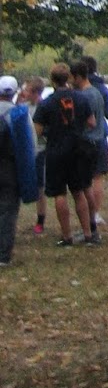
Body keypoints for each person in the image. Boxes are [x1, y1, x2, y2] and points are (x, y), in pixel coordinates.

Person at [32, 62, 97, 246]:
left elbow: (36, 131)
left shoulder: (46, 103)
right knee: (78, 192)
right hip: (77, 149)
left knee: (59, 193)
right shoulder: (81, 99)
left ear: (52, 80)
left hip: (56, 151)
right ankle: (87, 234)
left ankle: (67, 236)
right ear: (68, 77)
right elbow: (91, 122)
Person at [0, 75, 37, 266]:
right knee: (7, 211)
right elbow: (30, 145)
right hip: (8, 168)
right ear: (14, 93)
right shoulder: (18, 115)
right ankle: (3, 255)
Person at [70, 59, 108, 232]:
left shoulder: (85, 96)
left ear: (78, 76)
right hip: (100, 140)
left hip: (89, 142)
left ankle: (91, 220)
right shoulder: (97, 92)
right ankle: (93, 218)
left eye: (72, 77)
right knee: (95, 179)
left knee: (85, 185)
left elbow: (87, 122)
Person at [82, 55, 108, 225]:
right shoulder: (102, 88)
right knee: (97, 177)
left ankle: (83, 212)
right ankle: (94, 213)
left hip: (80, 138)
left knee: (82, 179)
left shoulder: (77, 88)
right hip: (100, 135)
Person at [18, 78, 47, 234]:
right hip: (26, 151)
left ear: (35, 93)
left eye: (27, 90)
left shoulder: (44, 107)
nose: (24, 92)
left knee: (40, 187)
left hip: (40, 151)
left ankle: (40, 220)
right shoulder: (24, 107)